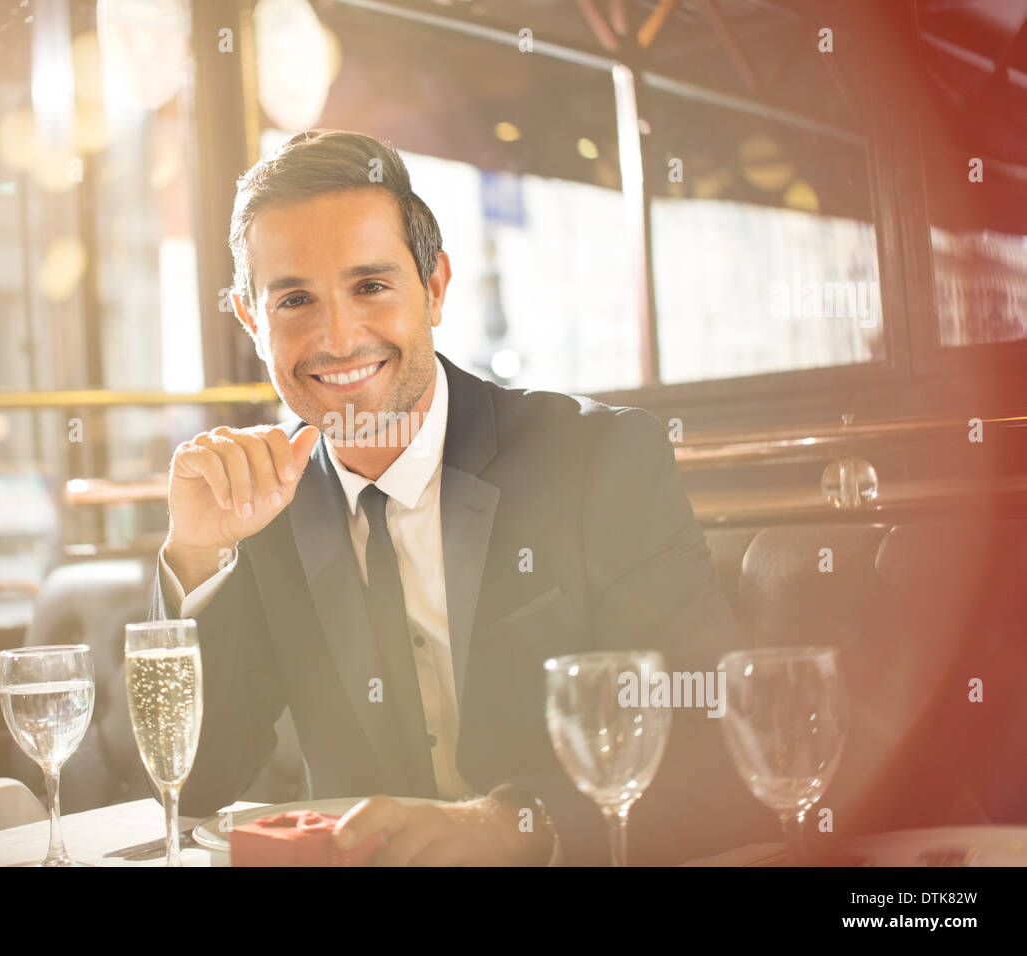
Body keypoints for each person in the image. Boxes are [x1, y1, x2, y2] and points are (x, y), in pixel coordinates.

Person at [157, 129, 753, 865]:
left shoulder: (596, 460)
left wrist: (509, 827)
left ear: (434, 289)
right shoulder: (262, 506)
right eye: (295, 300)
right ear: (252, 319)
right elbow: (193, 780)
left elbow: (715, 738)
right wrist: (196, 554)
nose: (337, 337)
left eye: (370, 286)